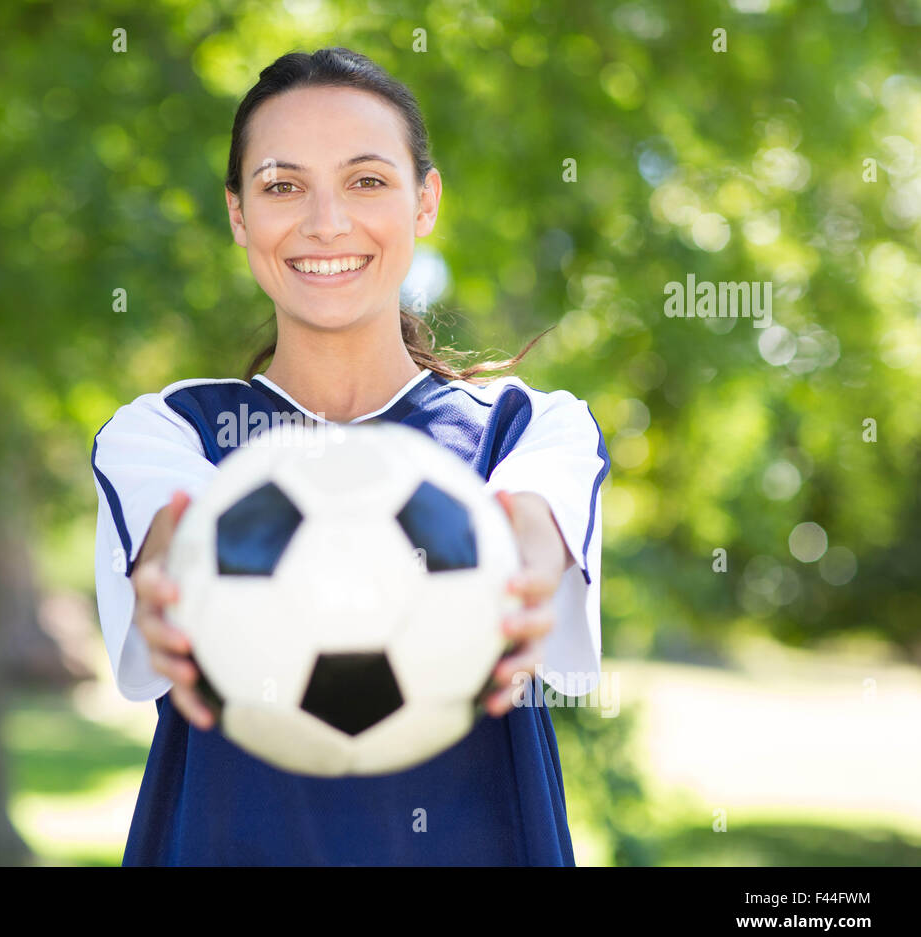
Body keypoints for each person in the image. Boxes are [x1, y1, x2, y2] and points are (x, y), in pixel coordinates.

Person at [91, 47, 610, 865]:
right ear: (237, 214)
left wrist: (525, 571)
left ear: (425, 201)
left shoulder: (528, 427)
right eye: (281, 186)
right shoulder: (171, 430)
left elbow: (533, 524)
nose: (325, 221)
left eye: (366, 181)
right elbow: (174, 533)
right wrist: (171, 583)